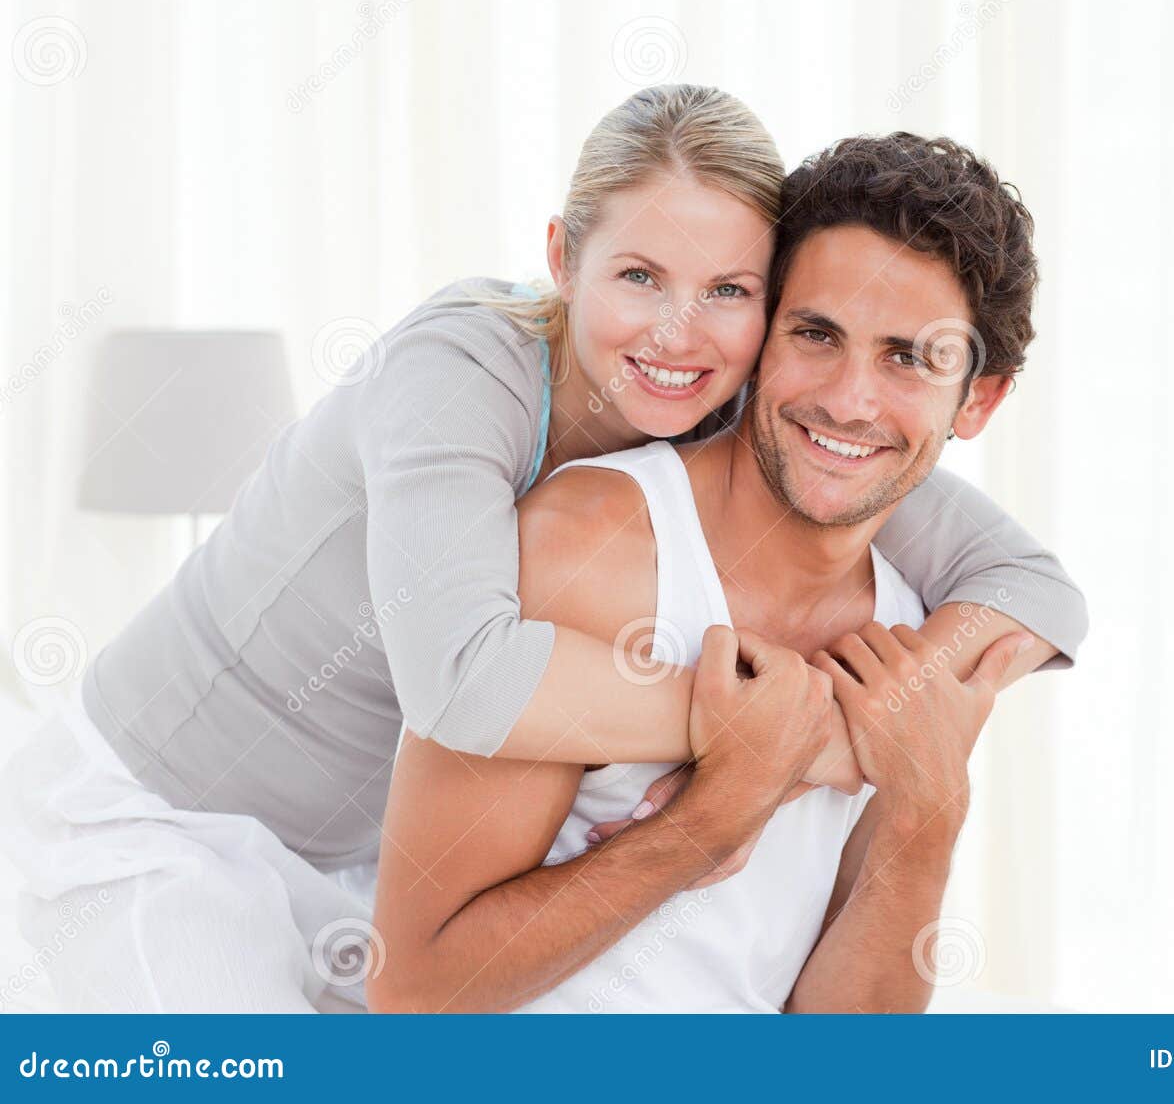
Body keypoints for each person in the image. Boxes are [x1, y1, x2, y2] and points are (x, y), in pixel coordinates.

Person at [0, 87, 1084, 1012]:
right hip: (165, 820)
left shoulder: (755, 411)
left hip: (352, 853)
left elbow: (1031, 586)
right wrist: (787, 736)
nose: (677, 332)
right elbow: (462, 676)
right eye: (639, 276)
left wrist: (909, 762)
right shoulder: (459, 371)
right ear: (562, 257)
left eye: (729, 292)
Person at [365, 132, 1049, 1013]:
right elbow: (413, 996)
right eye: (816, 334)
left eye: (909, 358)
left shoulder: (915, 635)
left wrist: (929, 808)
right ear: (761, 336)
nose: (848, 399)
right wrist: (710, 819)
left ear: (982, 400)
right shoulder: (593, 550)